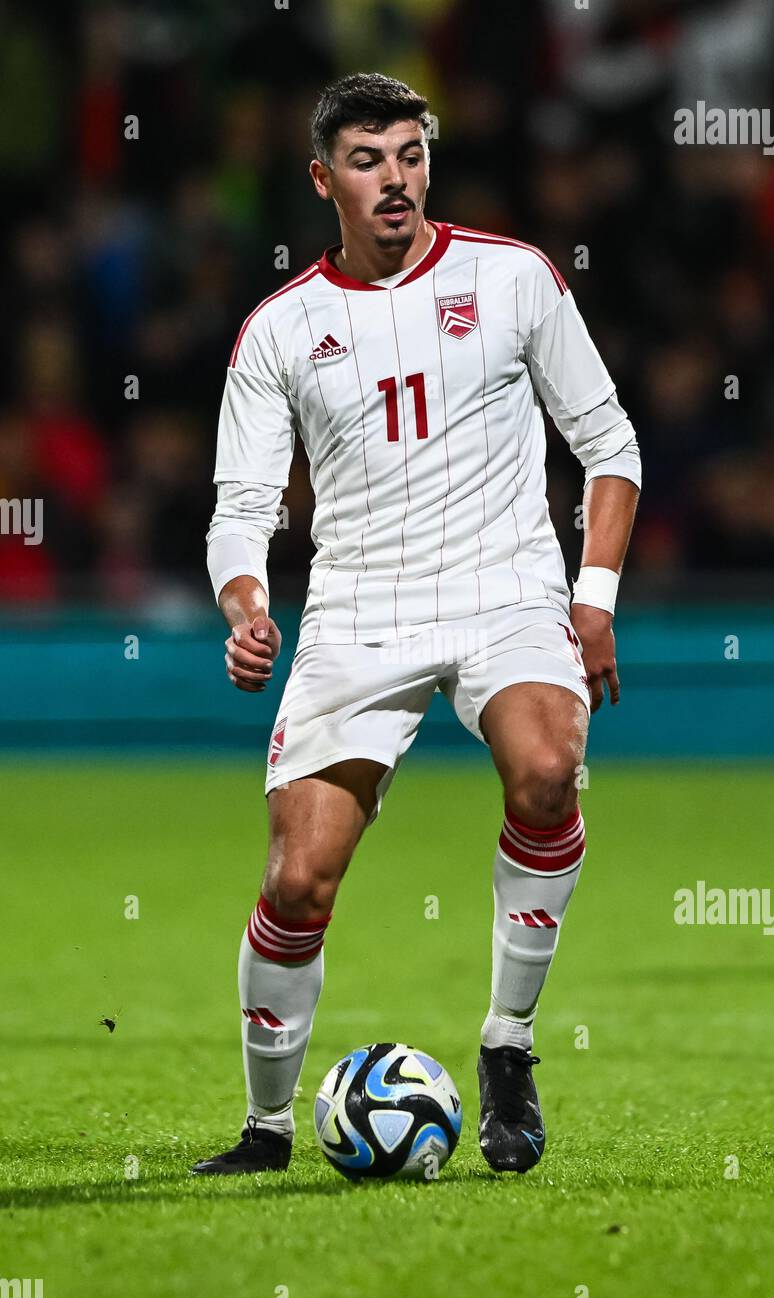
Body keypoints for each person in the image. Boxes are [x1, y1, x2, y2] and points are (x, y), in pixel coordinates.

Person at [193, 72, 640, 1177]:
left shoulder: (513, 278)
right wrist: (248, 605)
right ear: (321, 179)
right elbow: (240, 510)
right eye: (366, 159)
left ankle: (508, 1043)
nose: (394, 179)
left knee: (547, 770)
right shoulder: (281, 330)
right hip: (357, 610)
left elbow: (611, 447)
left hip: (507, 590)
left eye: (409, 153)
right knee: (299, 883)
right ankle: (263, 1129)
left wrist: (593, 602)